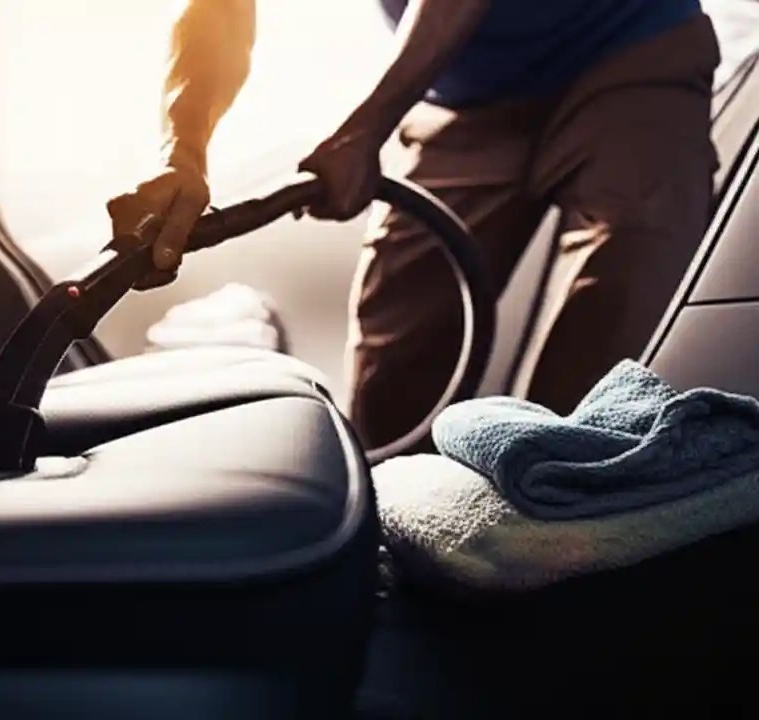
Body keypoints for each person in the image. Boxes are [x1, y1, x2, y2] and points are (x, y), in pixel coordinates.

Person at [106, 0, 721, 451]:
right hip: (467, 92)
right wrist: (181, 155)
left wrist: (363, 129)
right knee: (395, 354)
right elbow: (216, 14)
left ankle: (559, 523)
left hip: (627, 47)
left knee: (618, 291)